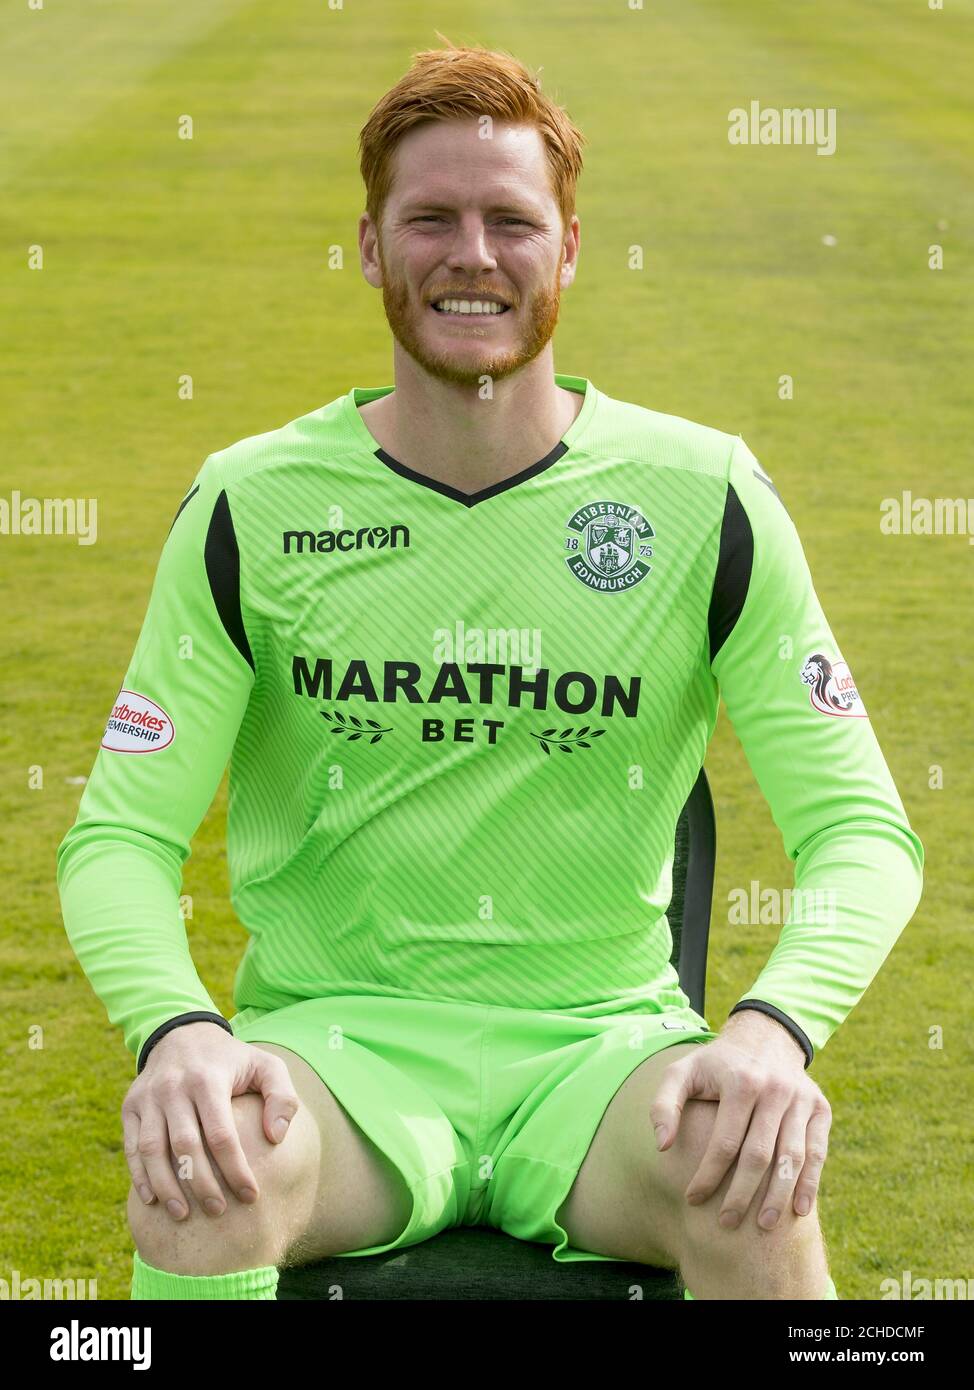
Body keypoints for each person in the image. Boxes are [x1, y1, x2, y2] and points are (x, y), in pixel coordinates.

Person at [57, 40, 923, 1302]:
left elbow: (861, 831)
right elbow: (118, 836)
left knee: (747, 1171)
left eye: (510, 220)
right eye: (431, 219)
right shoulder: (253, 500)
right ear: (368, 246)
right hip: (339, 1054)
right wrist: (178, 1032)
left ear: (567, 248)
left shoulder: (702, 495)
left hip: (602, 1060)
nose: (472, 253)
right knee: (206, 1171)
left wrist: (769, 1029)